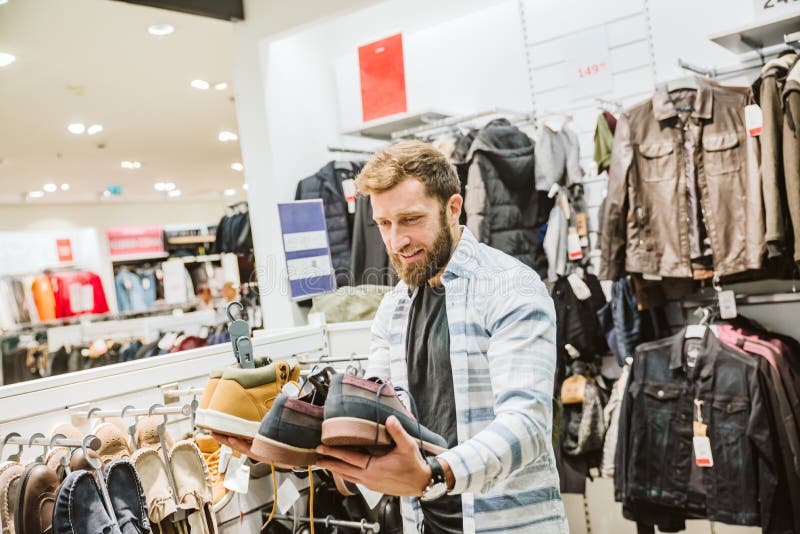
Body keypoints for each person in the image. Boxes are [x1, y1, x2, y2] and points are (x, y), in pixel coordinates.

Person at [217, 141, 567, 533]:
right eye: (384, 224)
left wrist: (433, 474)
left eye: (411, 219)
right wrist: (299, 448)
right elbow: (381, 429)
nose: (396, 241)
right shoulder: (394, 307)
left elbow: (528, 424)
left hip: (504, 524)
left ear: (453, 208)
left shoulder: (510, 287)